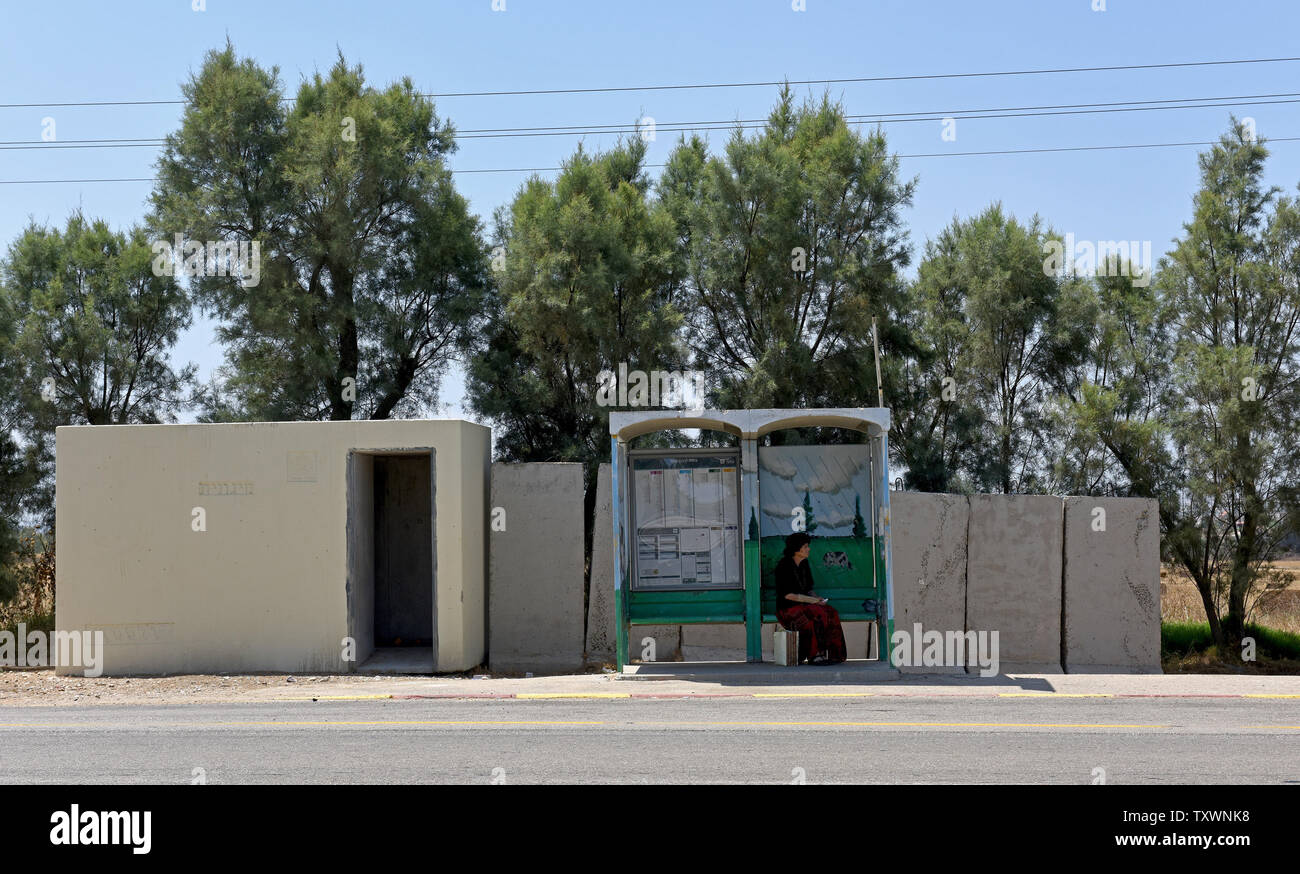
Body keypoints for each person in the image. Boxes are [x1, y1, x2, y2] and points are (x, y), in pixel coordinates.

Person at [774, 531, 846, 665]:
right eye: (805, 546)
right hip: (787, 609)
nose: (808, 549)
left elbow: (808, 589)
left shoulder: (804, 564)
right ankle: (815, 655)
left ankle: (835, 654)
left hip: (805, 606)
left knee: (830, 612)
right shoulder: (784, 566)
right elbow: (789, 595)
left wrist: (817, 599)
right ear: (796, 548)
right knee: (816, 616)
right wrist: (813, 601)